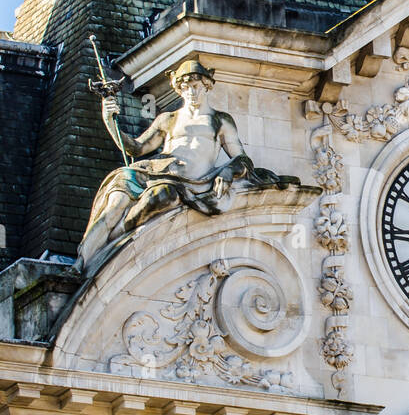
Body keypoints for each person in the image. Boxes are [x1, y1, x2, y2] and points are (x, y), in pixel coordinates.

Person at [74, 59, 289, 273]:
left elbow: (243, 159)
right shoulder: (168, 119)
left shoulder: (220, 120)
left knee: (160, 197)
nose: (191, 93)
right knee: (116, 201)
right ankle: (82, 262)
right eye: (186, 88)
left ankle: (114, 239)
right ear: (179, 90)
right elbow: (136, 148)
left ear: (207, 86)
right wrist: (110, 121)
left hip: (193, 182)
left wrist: (228, 171)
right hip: (157, 172)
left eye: (196, 87)